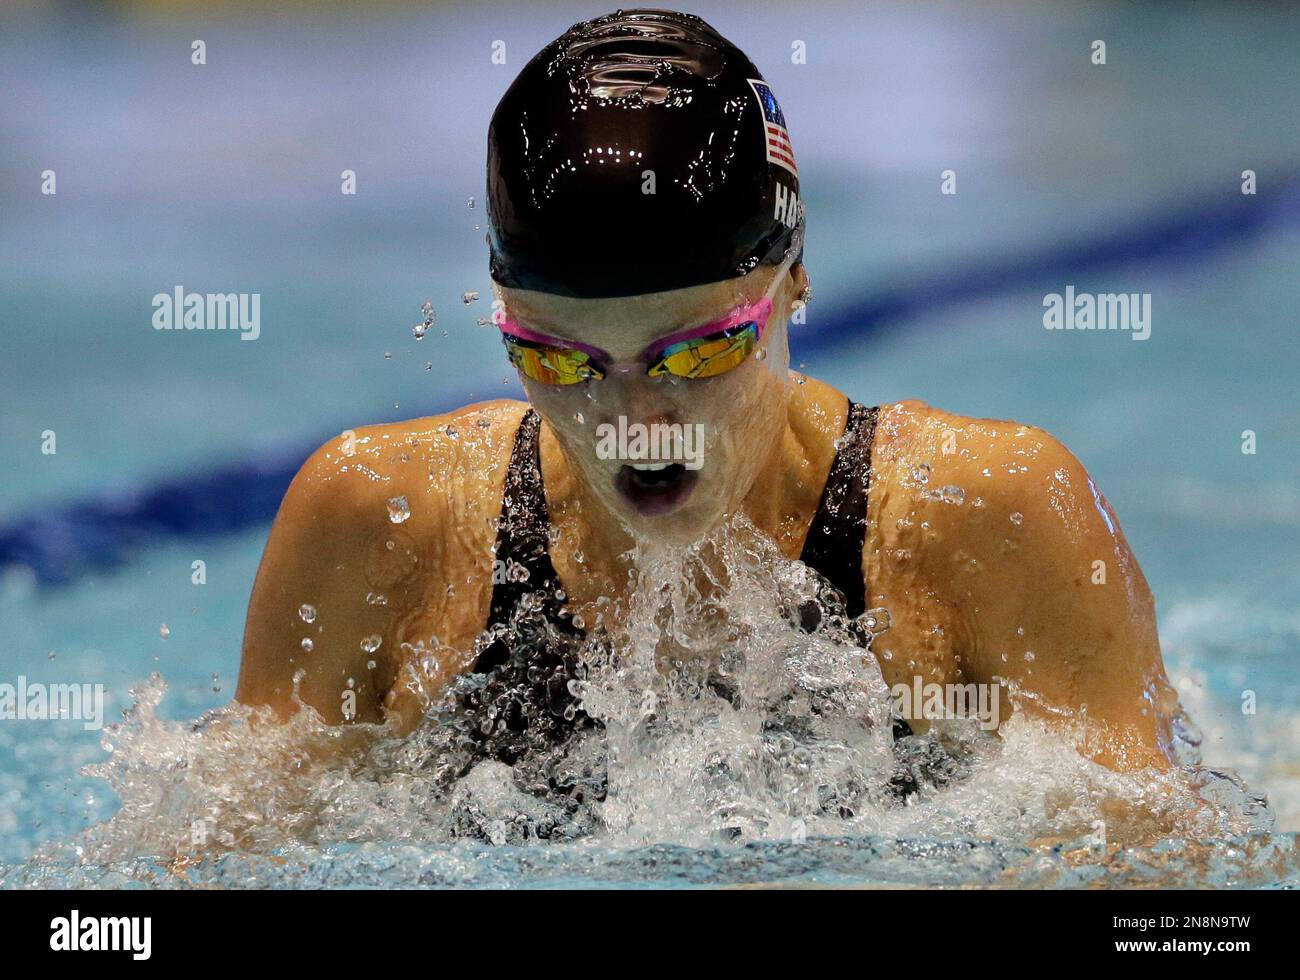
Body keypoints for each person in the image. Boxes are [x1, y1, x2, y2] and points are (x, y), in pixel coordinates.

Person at [236, 8, 1179, 775]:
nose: (633, 424)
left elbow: (1166, 890)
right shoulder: (380, 519)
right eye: (561, 362)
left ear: (795, 280)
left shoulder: (988, 517)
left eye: (691, 356)